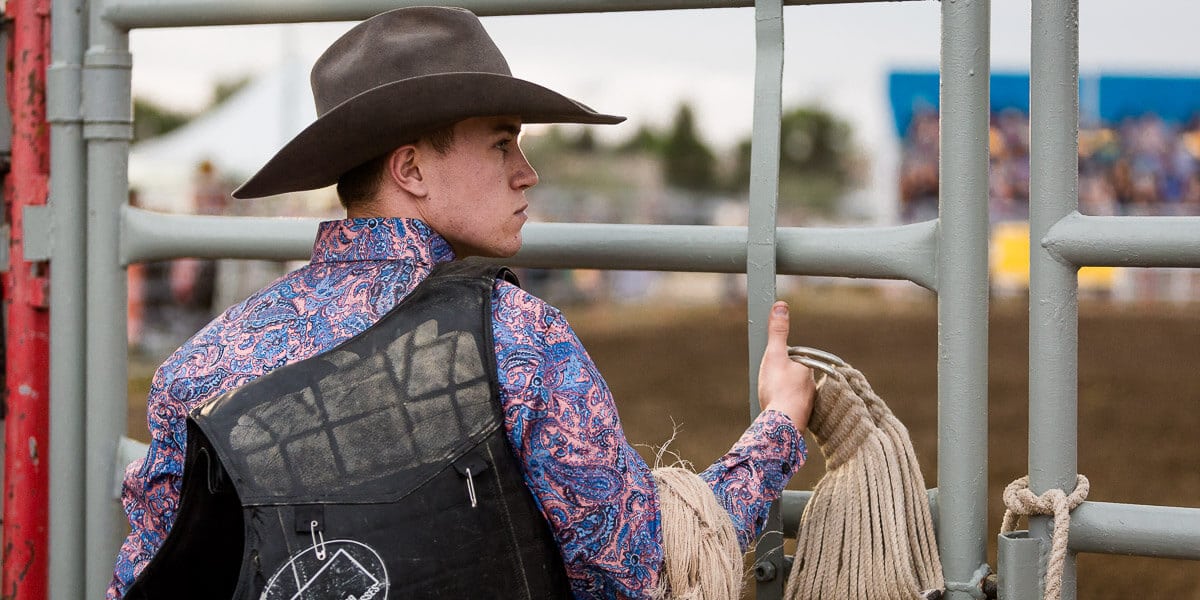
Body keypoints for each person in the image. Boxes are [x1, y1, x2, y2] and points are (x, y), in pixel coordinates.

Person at [110, 7, 816, 599]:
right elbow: (642, 564)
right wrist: (778, 427)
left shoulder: (196, 370)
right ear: (410, 169)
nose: (527, 173)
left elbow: (147, 579)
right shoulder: (514, 335)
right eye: (503, 143)